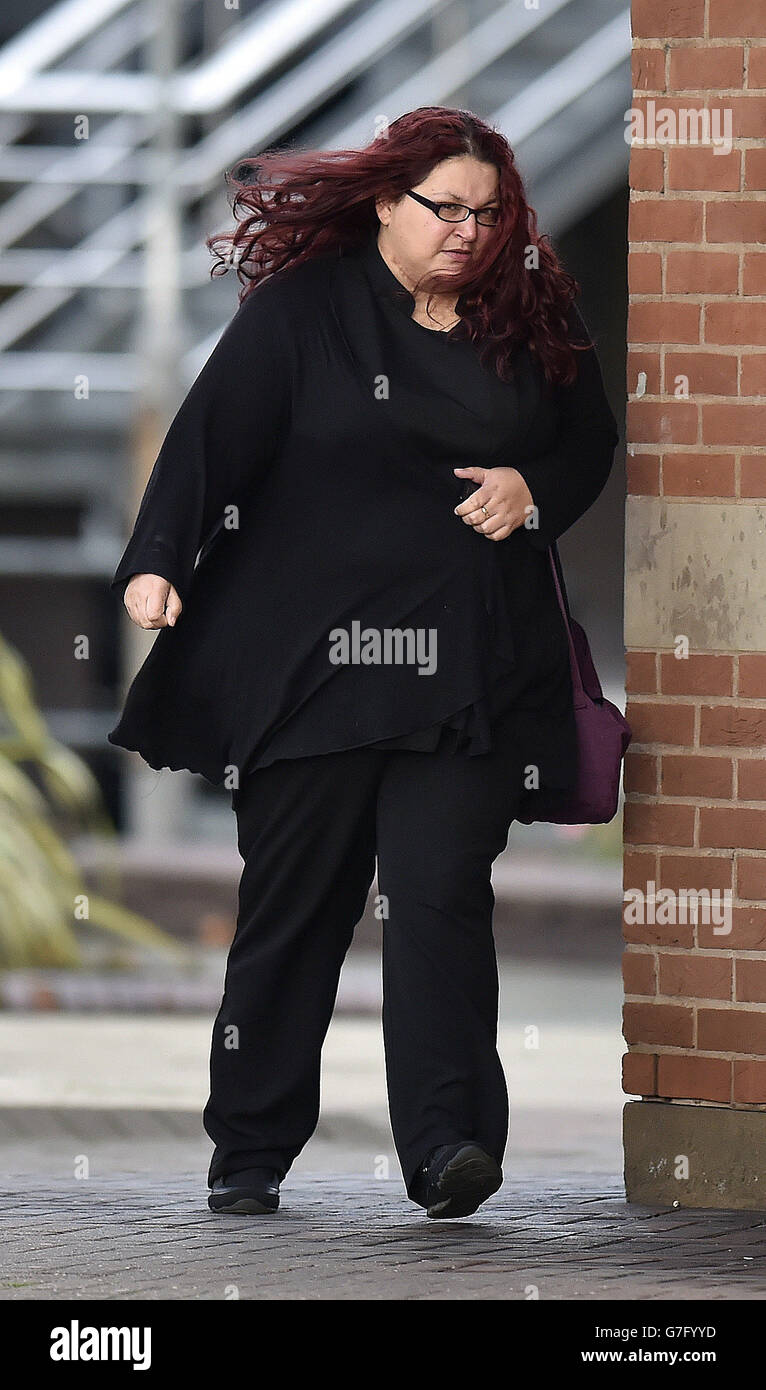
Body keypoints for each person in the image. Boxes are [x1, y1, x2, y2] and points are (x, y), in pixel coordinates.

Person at [109, 107, 620, 1220]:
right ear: (386, 201)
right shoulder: (304, 313)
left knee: (440, 898)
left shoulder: (531, 313)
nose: (467, 232)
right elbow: (210, 442)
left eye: (487, 214)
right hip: (312, 666)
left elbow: (584, 442)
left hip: (467, 669)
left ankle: (446, 1148)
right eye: (444, 208)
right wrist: (156, 561)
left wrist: (533, 491)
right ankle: (248, 1150)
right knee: (297, 901)